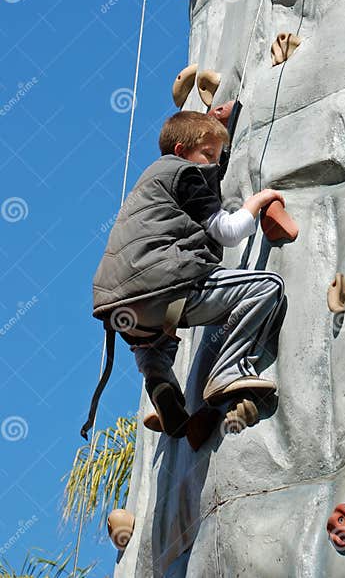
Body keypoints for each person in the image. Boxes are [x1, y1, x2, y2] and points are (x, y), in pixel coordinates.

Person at [91, 111, 286, 438]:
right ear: (181, 151)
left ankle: (159, 383)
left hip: (121, 306)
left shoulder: (151, 182)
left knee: (153, 343)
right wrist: (257, 202)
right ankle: (228, 371)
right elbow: (227, 231)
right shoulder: (186, 175)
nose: (212, 163)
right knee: (267, 287)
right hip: (164, 284)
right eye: (208, 155)